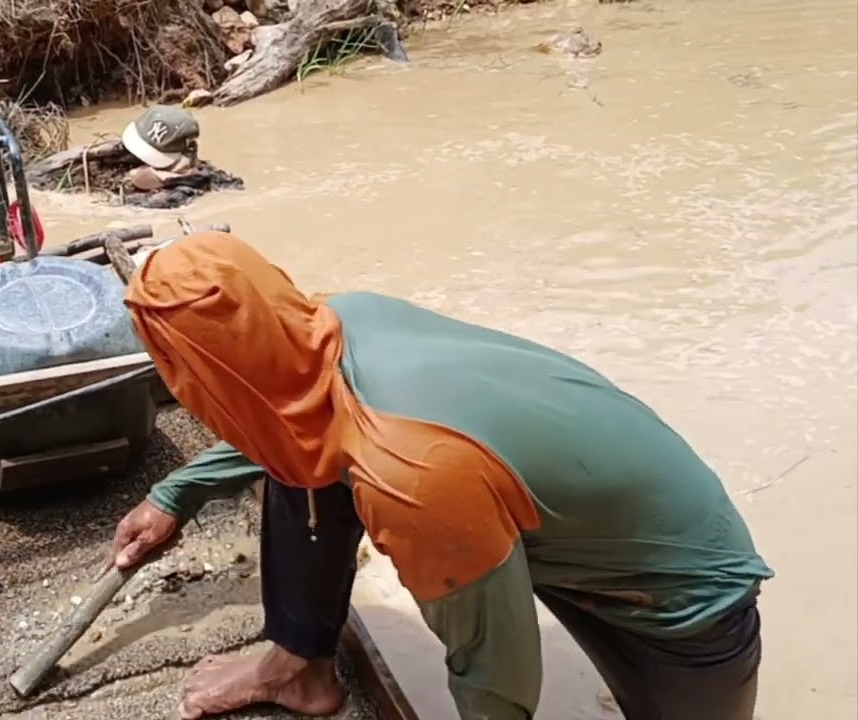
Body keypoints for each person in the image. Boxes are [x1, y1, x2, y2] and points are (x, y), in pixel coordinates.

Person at [108, 231, 773, 720]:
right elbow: (278, 412)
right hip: (563, 511)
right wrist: (177, 492)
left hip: (678, 601)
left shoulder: (413, 477)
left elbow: (498, 679)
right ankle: (299, 667)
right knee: (305, 468)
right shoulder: (339, 318)